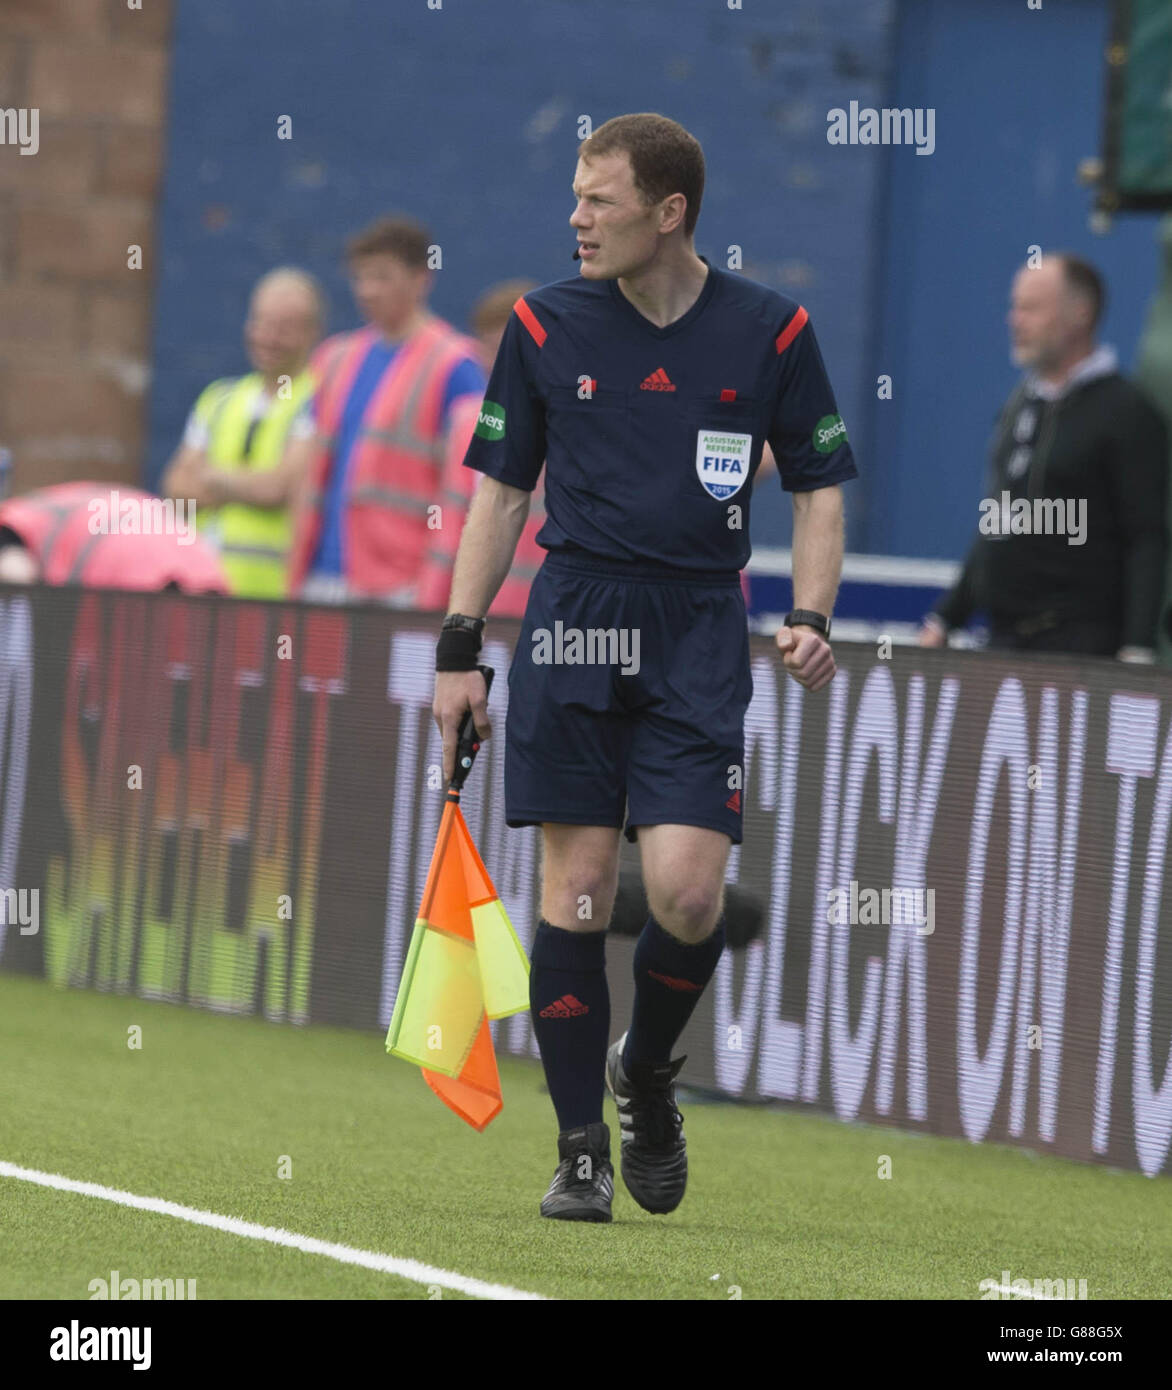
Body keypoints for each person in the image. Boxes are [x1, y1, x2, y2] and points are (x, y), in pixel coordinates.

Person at [432, 112, 856, 1222]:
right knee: (575, 891)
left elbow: (818, 487)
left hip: (697, 628)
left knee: (685, 891)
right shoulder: (542, 322)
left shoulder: (772, 330)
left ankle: (647, 1072)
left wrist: (810, 613)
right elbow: (501, 495)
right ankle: (579, 1151)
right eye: (576, 197)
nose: (575, 219)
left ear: (668, 213)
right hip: (574, 618)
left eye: (598, 200)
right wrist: (459, 648)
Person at [919, 253, 1168, 658]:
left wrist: (1137, 649)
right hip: (1003, 643)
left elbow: (1146, 537)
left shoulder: (1126, 412)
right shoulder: (1019, 404)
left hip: (1082, 651)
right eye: (1015, 306)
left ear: (1080, 314)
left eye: (1031, 308)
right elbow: (997, 522)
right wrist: (945, 619)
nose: (1015, 320)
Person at [286, 217, 487, 608]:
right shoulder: (334, 359)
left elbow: (469, 490)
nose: (367, 290)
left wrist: (436, 589)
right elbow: (308, 470)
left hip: (403, 585)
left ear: (420, 279)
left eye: (382, 277)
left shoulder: (455, 365)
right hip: (323, 575)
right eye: (360, 277)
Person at [161, 267, 324, 598]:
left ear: (311, 333)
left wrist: (211, 477)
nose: (268, 338)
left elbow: (277, 488)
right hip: (203, 588)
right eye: (261, 323)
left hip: (274, 595)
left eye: (284, 328)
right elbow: (177, 488)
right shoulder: (218, 398)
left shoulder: (321, 398)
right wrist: (248, 485)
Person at [0, 482, 228, 592]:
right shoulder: (50, 504)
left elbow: (17, 574)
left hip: (129, 565)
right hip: (197, 561)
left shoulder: (11, 520)